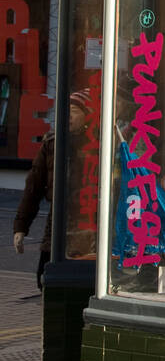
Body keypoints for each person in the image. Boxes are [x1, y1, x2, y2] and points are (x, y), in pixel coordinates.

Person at [13, 92, 90, 289]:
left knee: (83, 280)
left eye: (74, 111)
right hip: (56, 222)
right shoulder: (51, 144)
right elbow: (33, 188)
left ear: (86, 115)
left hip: (87, 223)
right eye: (66, 111)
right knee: (46, 277)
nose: (69, 117)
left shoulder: (96, 145)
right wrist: (21, 227)